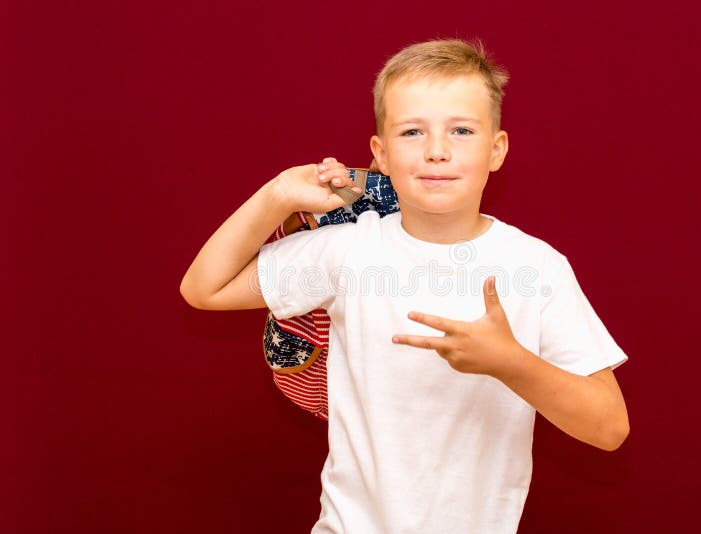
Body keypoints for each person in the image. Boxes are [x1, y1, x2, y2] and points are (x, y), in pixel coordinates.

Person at [180, 38, 630, 533]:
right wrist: (278, 194)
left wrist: (512, 363)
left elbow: (609, 427)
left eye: (461, 130)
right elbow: (206, 288)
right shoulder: (349, 250)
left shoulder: (536, 267)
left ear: (496, 149)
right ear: (382, 154)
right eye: (412, 132)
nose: (437, 151)